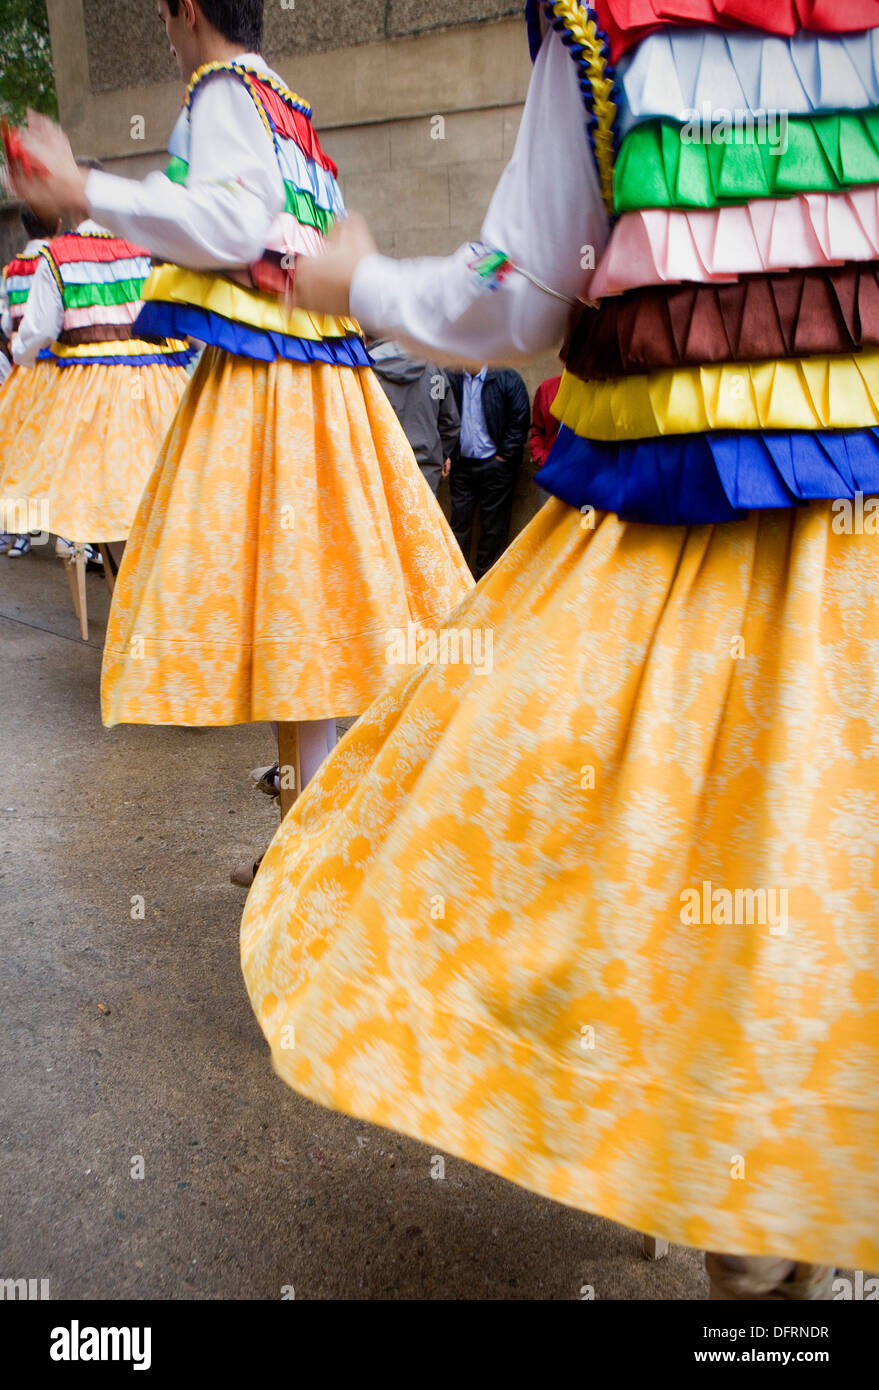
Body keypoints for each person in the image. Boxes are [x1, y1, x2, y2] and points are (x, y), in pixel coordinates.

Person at [234, 0, 879, 1300]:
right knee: (807, 892)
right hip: (855, 548)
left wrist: (350, 279)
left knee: (622, 879)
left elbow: (511, 295)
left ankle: (729, 1209)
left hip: (666, 561)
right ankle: (775, 1206)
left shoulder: (606, 31)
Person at [8, 0, 471, 815]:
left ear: (187, 12)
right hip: (326, 374)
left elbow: (229, 223)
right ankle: (306, 826)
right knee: (313, 613)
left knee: (288, 612)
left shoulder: (221, 90)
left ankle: (303, 848)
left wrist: (83, 184)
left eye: (162, 14)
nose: (164, 30)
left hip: (271, 377)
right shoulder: (285, 102)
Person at [5, 202, 192, 584]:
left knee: (98, 487)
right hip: (159, 381)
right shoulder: (147, 245)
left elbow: (37, 329)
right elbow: (179, 308)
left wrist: (22, 354)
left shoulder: (57, 255)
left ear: (68, 212)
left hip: (91, 388)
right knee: (167, 479)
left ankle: (120, 574)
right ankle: (159, 580)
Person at [0, 207, 57, 558]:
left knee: (22, 453)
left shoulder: (11, 272)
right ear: (60, 222)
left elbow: (6, 325)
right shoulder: (59, 260)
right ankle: (74, 538)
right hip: (59, 370)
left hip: (23, 374)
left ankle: (22, 535)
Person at [446, 365, 530, 577]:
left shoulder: (507, 378)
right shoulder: (450, 377)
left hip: (495, 466)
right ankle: (457, 583)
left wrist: (503, 458)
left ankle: (484, 586)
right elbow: (440, 412)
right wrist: (447, 452)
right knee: (458, 526)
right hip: (461, 465)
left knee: (494, 529)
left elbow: (519, 420)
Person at [369, 339, 459, 497]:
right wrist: (439, 455)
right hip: (425, 469)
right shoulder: (434, 368)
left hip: (380, 469)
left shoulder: (364, 369)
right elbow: (450, 423)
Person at [529, 373, 561, 471]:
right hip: (551, 467)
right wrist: (540, 455)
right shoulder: (547, 388)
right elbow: (537, 429)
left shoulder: (597, 388)